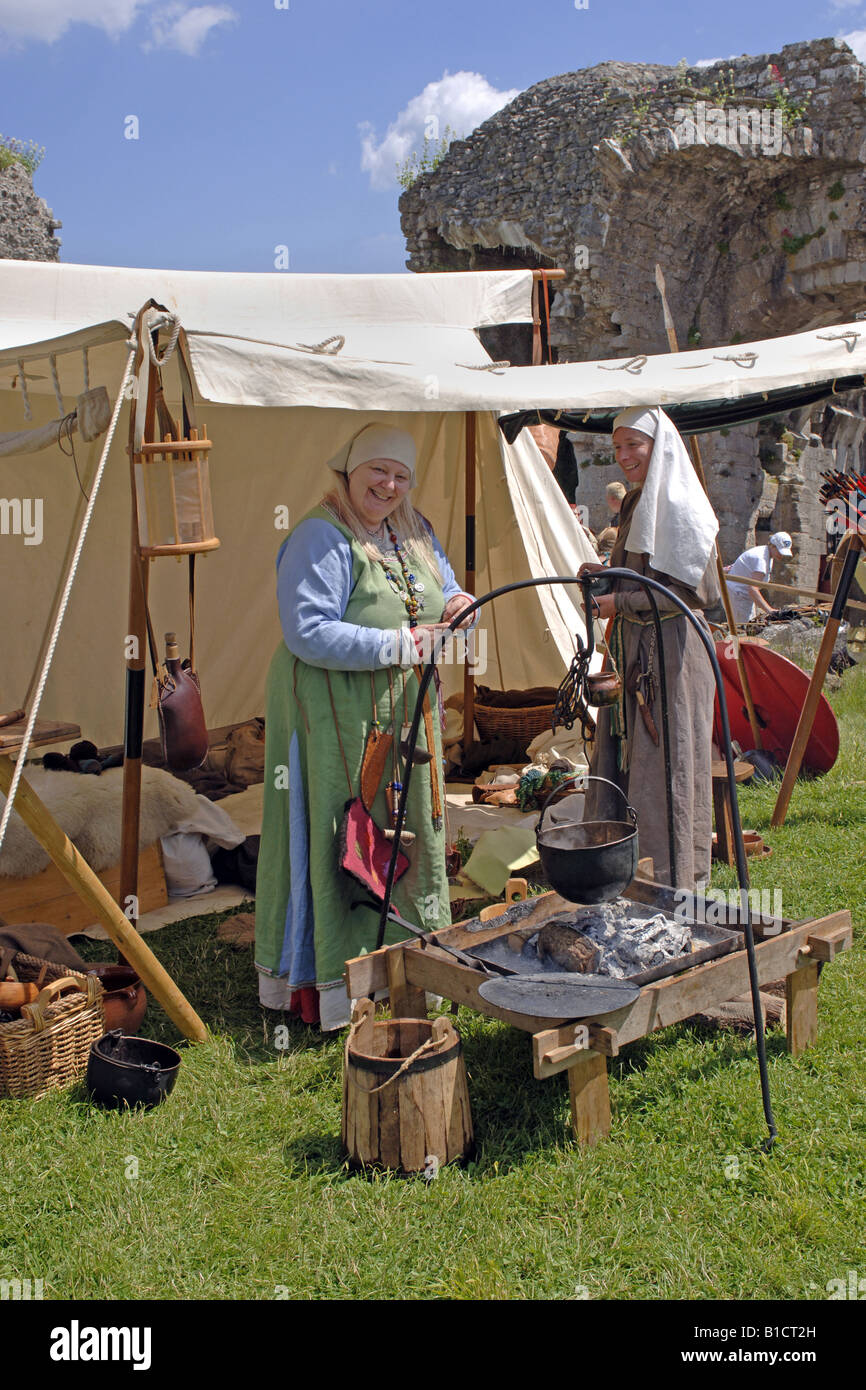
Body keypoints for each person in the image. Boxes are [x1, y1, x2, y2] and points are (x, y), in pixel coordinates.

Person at [254, 424, 476, 1030]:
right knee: (341, 830)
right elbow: (308, 631)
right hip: (330, 711)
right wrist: (401, 643)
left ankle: (409, 967)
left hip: (402, 705)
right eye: (379, 471)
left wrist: (456, 602)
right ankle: (332, 981)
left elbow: (445, 586)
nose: (390, 485)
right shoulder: (320, 537)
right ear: (349, 471)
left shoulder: (413, 529)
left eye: (401, 476)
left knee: (407, 828)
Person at [579, 407, 721, 889]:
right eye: (617, 446)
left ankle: (671, 884)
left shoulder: (682, 506)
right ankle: (619, 879)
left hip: (672, 653)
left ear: (658, 446)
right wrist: (602, 575)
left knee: (666, 769)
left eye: (632, 445)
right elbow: (642, 574)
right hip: (635, 649)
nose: (622, 456)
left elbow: (689, 594)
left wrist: (617, 598)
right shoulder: (638, 501)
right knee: (623, 762)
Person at [724, 532, 793, 626]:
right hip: (738, 594)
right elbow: (753, 589)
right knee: (743, 628)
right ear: (772, 546)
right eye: (780, 551)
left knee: (750, 626)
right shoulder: (761, 560)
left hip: (742, 593)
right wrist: (770, 610)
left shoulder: (765, 553)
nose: (781, 555)